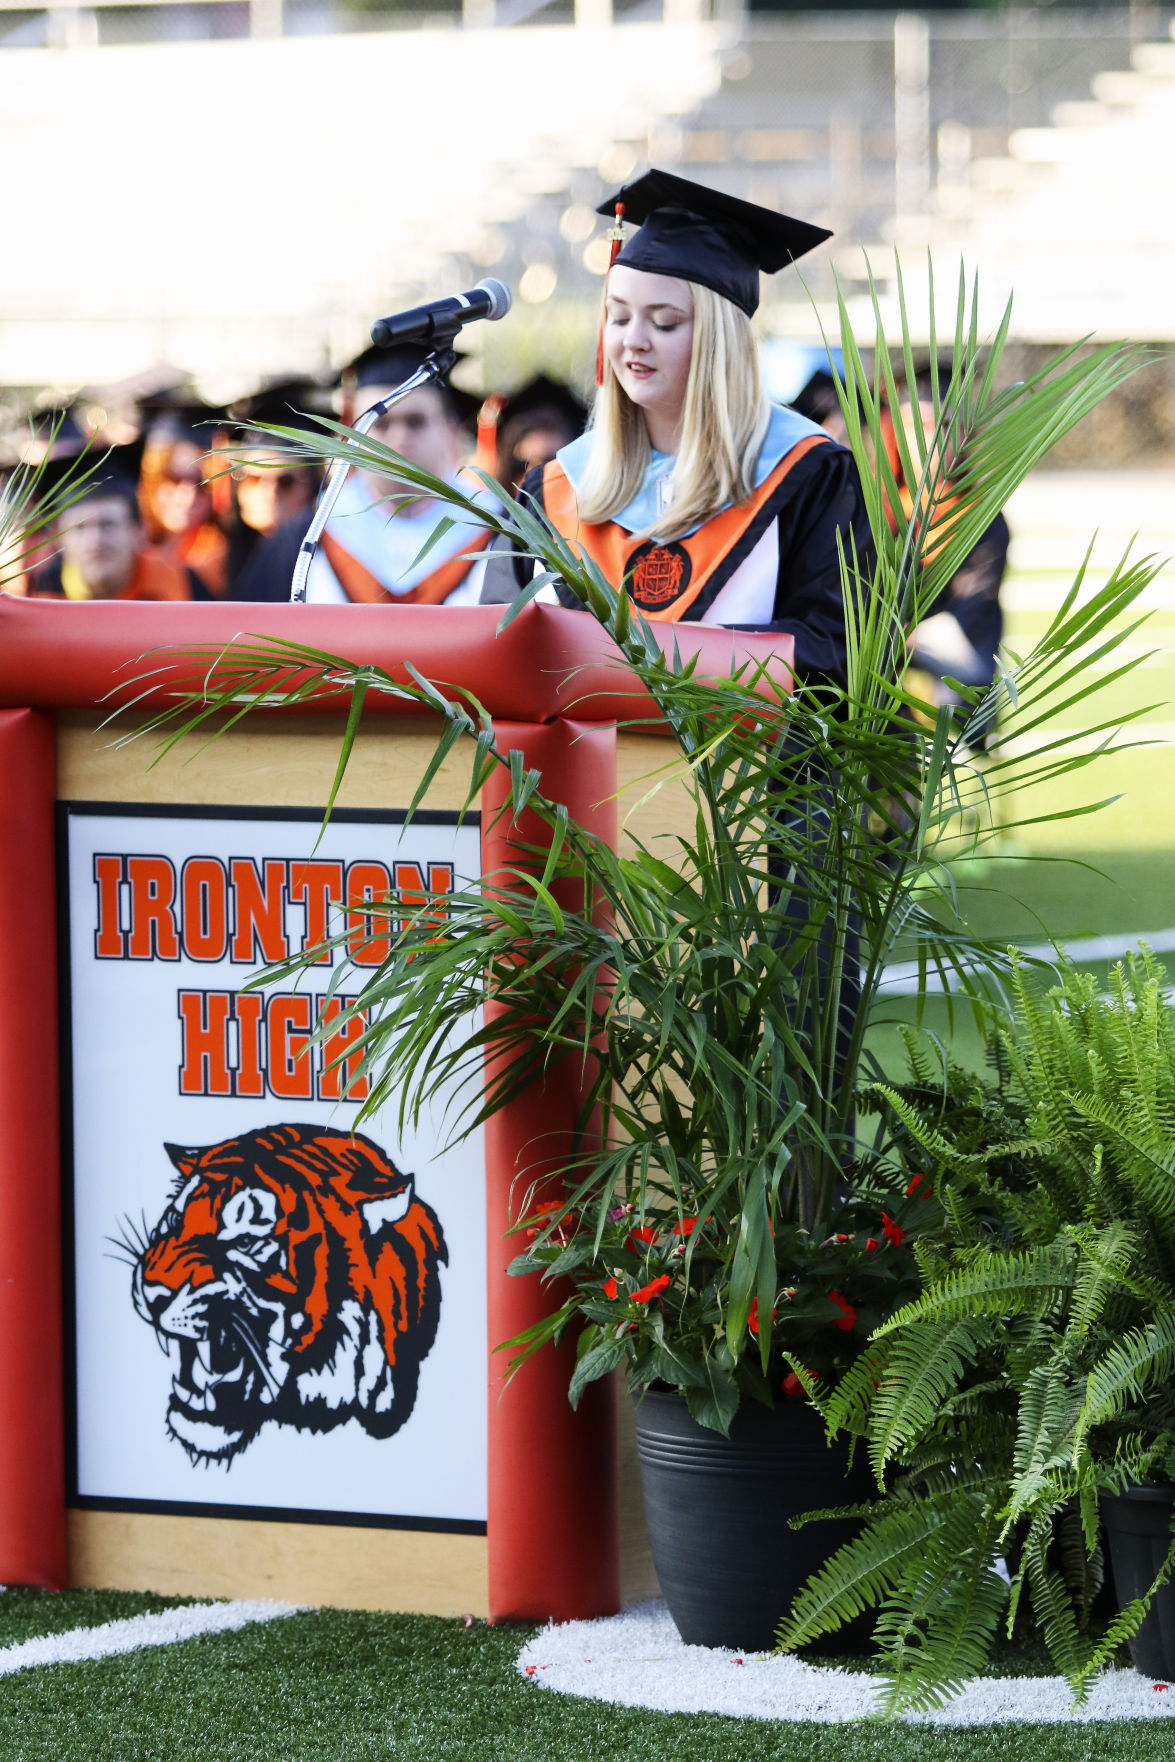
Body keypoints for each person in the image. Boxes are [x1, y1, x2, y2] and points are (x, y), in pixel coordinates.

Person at [481, 168, 869, 683]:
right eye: (619, 318)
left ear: (718, 339)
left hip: (758, 759)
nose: (633, 341)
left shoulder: (806, 473)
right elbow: (497, 643)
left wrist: (657, 665)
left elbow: (837, 654)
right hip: (588, 762)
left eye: (664, 322)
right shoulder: (558, 485)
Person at [233, 343, 496, 605]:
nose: (399, 438)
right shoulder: (310, 534)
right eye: (380, 424)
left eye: (416, 421)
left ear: (449, 429)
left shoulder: (497, 530)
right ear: (353, 435)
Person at [29, 475, 205, 601]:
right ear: (60, 539)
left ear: (138, 531)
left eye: (108, 524)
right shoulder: (39, 593)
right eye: (80, 528)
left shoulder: (180, 582)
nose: (95, 541)